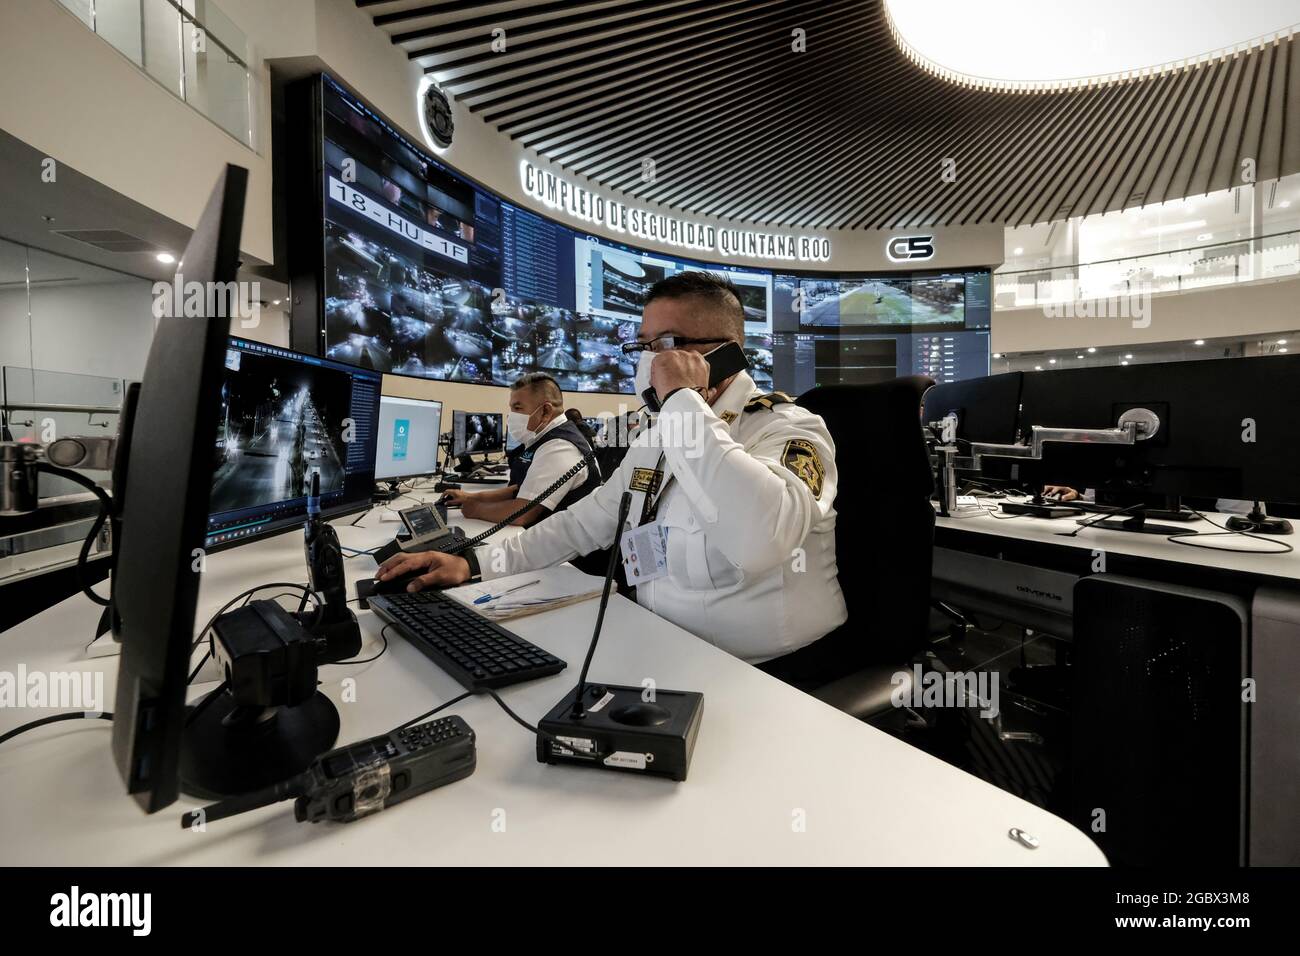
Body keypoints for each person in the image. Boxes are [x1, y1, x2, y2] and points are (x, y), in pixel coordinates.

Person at [377, 271, 848, 665]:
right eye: (641, 345)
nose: (648, 360)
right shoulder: (659, 436)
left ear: (721, 352)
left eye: (665, 344)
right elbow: (585, 522)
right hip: (661, 650)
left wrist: (682, 400)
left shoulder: (788, 429)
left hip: (773, 676)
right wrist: (475, 562)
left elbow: (759, 538)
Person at [442, 372, 599, 526]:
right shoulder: (543, 438)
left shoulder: (560, 447)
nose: (511, 416)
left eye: (518, 408)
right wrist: (471, 497)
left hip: (564, 546)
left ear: (545, 411)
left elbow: (523, 514)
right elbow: (519, 490)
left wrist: (475, 509)